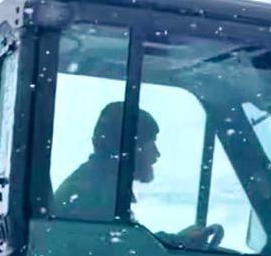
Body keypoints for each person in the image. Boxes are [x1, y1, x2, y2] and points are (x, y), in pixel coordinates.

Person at [52, 102, 219, 247]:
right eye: (150, 144)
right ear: (128, 149)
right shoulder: (90, 195)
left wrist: (177, 240)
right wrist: (177, 242)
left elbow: (127, 247)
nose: (157, 154)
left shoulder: (100, 186)